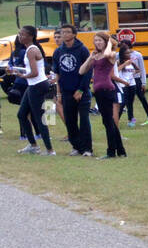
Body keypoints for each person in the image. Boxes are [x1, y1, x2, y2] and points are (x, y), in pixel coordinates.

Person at [80, 32, 127, 158]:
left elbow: (107, 54)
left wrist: (110, 43)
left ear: (106, 42)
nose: (97, 43)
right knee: (109, 121)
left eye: (100, 40)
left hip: (107, 89)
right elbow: (81, 70)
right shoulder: (96, 56)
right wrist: (90, 58)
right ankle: (121, 151)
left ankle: (111, 152)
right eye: (95, 40)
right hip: (99, 91)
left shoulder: (110, 54)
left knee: (108, 121)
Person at [11, 26, 55, 156]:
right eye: (19, 34)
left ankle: (50, 150)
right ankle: (33, 146)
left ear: (31, 36)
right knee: (21, 114)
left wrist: (21, 76)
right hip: (33, 85)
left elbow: (35, 73)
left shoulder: (31, 50)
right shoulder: (29, 49)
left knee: (39, 117)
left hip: (37, 85)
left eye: (23, 34)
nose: (20, 36)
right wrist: (19, 71)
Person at [51, 24, 93, 157]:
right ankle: (77, 146)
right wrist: (58, 92)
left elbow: (88, 71)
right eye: (62, 32)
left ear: (74, 34)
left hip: (82, 91)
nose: (64, 35)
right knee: (70, 120)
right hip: (66, 91)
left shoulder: (82, 50)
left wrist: (81, 89)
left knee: (84, 120)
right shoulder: (58, 52)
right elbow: (57, 73)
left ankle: (87, 149)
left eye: (68, 32)